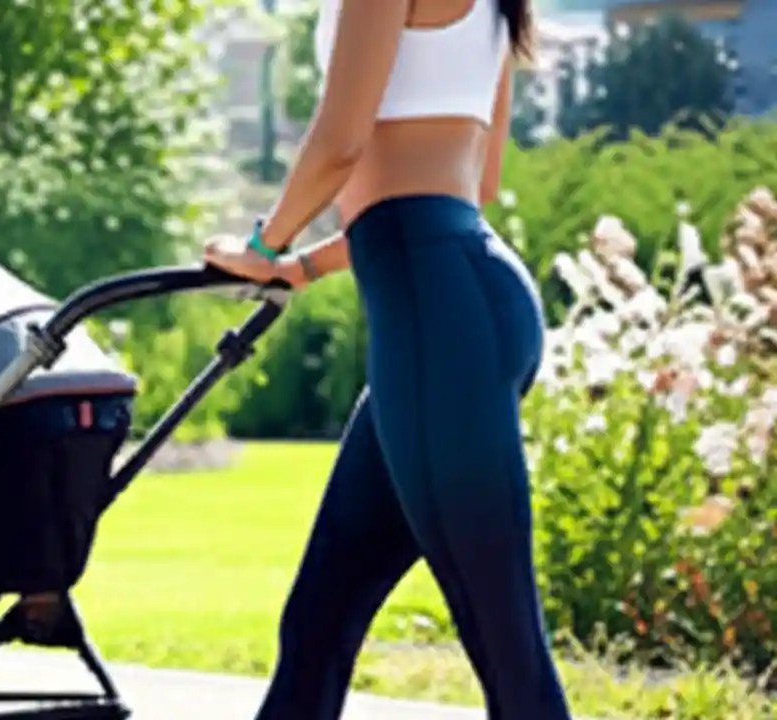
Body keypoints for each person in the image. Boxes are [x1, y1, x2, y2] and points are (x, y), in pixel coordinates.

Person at [203, 0, 574, 717]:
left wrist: (263, 248)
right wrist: (303, 267)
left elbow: (340, 143)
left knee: (508, 653)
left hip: (438, 320)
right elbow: (476, 183)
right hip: (465, 296)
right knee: (319, 620)